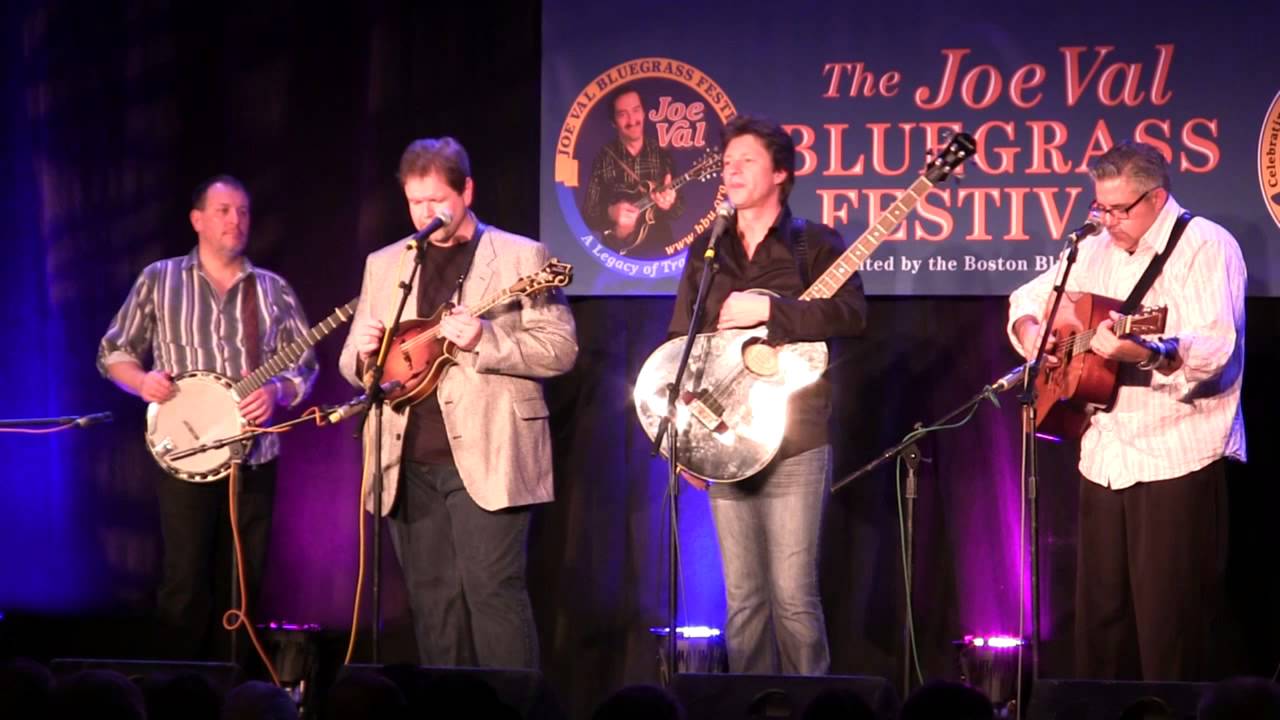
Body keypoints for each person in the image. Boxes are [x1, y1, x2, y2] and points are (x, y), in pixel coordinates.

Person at [1008, 140, 1246, 681]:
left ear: (1156, 198)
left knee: (1172, 628)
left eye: (1119, 209)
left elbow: (1216, 349)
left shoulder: (1206, 246)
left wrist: (1148, 350)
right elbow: (1027, 299)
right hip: (1105, 456)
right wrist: (1032, 335)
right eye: (1100, 207)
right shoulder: (1092, 248)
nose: (1107, 219)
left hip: (1178, 454)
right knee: (1100, 628)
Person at [339, 137, 577, 669]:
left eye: (436, 201)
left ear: (466, 190)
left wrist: (484, 339)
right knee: (432, 603)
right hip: (407, 460)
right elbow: (353, 354)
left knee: (493, 595)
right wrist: (369, 357)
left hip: (491, 456)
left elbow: (560, 350)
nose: (425, 214)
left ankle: (515, 711)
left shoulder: (522, 257)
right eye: (414, 202)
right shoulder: (387, 263)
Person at [665, 116, 867, 675]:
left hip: (796, 441)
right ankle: (749, 705)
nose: (731, 170)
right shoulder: (708, 251)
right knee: (744, 601)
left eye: (745, 160)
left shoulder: (815, 242)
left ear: (780, 172)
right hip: (724, 441)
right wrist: (683, 440)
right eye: (727, 162)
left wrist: (770, 311)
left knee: (794, 600)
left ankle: (810, 705)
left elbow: (852, 315)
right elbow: (681, 342)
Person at [97, 175, 318, 660]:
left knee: (243, 586)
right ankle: (181, 689)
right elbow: (114, 351)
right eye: (223, 210)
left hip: (253, 458)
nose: (235, 220)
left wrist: (277, 392)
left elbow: (306, 367)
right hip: (185, 458)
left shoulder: (271, 290)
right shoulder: (160, 279)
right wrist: (142, 382)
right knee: (184, 583)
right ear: (197, 219)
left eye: (242, 211)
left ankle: (237, 692)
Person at [583, 84, 682, 257]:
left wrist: (670, 203)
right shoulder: (604, 157)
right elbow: (589, 213)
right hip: (616, 255)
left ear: (644, 113)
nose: (632, 120)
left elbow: (680, 209)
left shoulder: (662, 155)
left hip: (659, 251)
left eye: (636, 110)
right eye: (622, 114)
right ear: (614, 122)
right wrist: (611, 213)